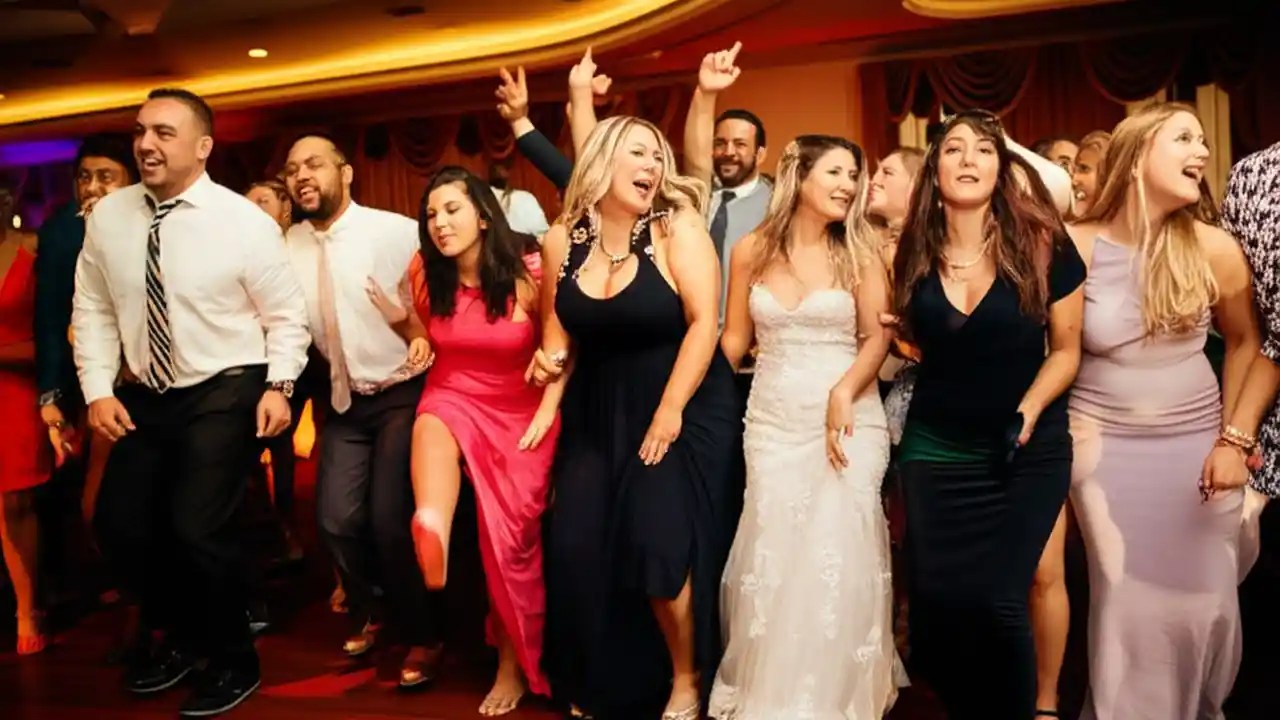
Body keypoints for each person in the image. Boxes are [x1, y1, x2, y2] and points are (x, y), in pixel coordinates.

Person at [72, 87, 308, 716]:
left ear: (202, 147)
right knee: (119, 525)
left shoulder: (244, 223)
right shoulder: (109, 218)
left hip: (225, 383)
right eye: (142, 131)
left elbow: (286, 316)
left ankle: (234, 658)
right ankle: (179, 635)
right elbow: (92, 308)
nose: (147, 144)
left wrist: (280, 386)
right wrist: (97, 390)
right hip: (143, 393)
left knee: (198, 527)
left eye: (165, 133)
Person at [529, 115, 740, 719]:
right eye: (640, 155)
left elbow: (705, 324)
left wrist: (670, 412)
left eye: (659, 157)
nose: (654, 167)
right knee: (576, 541)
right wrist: (548, 369)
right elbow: (559, 328)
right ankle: (608, 680)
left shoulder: (678, 227)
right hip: (598, 405)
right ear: (601, 160)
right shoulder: (560, 238)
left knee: (656, 541)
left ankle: (685, 676)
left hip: (684, 398)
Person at [892, 110, 1085, 720]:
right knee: (939, 603)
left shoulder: (1042, 241)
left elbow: (1069, 350)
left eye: (983, 149)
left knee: (1003, 599)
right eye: (954, 149)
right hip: (936, 448)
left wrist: (1029, 407)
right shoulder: (913, 249)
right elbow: (917, 337)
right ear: (935, 168)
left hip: (1026, 447)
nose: (969, 159)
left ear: (1002, 167)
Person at [1069, 102, 1259, 720]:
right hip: (1103, 454)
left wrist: (1232, 439)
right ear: (1136, 154)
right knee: (1126, 605)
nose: (1202, 152)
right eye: (1184, 138)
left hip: (1196, 451)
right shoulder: (1071, 245)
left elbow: (1246, 342)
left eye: (1204, 141)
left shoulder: (1214, 248)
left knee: (1205, 606)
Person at [712, 134, 905, 718]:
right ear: (799, 174)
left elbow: (880, 337)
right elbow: (735, 341)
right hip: (770, 421)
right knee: (775, 551)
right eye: (837, 173)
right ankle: (771, 689)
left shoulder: (861, 251)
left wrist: (843, 392)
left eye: (855, 174)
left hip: (849, 419)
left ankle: (833, 693)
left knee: (836, 549)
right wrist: (686, 391)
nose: (850, 185)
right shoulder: (750, 250)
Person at [375, 165, 562, 715]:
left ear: (483, 216)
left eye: (451, 209)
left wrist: (548, 373)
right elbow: (422, 329)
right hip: (452, 391)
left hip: (520, 412)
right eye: (430, 214)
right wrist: (408, 335)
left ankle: (512, 664)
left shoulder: (530, 271)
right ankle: (431, 522)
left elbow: (559, 344)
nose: (439, 222)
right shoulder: (424, 272)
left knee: (508, 545)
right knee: (431, 420)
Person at [281, 134, 436, 685]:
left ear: (345, 173)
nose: (303, 176)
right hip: (344, 403)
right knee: (335, 520)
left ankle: (422, 635)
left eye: (315, 164)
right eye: (293, 168)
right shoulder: (289, 246)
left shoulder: (395, 232)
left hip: (402, 390)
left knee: (389, 521)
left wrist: (418, 330)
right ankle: (374, 614)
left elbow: (435, 304)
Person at [0, 184, 52, 655]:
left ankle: (28, 605)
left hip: (16, 390)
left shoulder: (34, 255)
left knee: (16, 501)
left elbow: (54, 340)